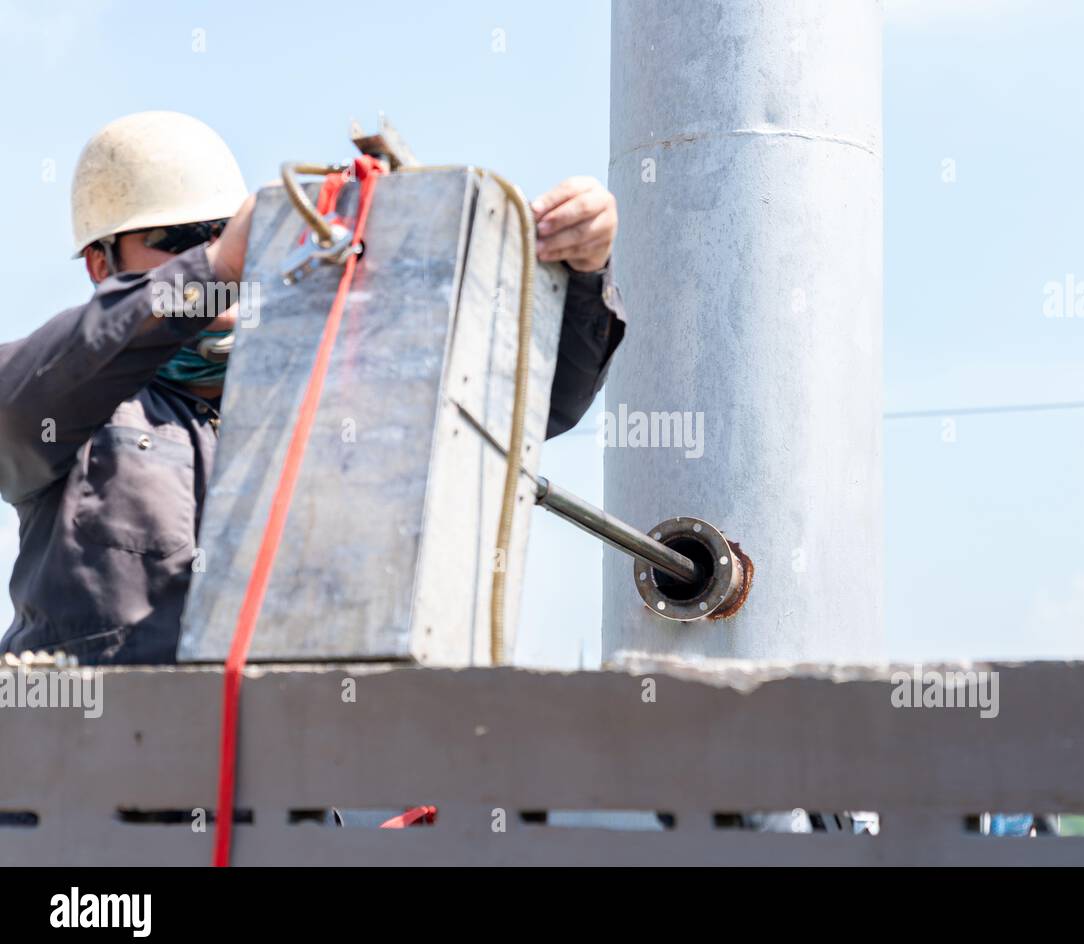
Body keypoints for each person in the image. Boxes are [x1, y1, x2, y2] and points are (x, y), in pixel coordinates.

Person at [0, 111, 624, 665]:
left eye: (226, 229)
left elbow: (518, 411)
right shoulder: (70, 404)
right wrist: (210, 272)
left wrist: (583, 274)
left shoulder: (313, 389)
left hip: (281, 775)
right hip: (90, 777)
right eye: (183, 240)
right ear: (101, 265)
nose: (223, 250)